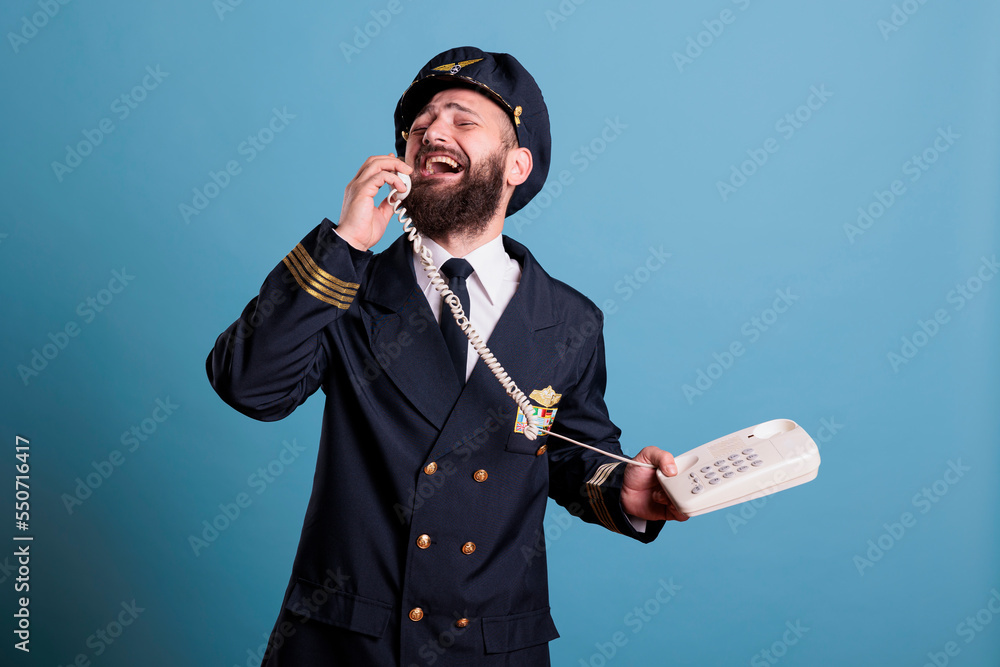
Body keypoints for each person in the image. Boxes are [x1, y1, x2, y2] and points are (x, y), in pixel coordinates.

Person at [207, 45, 686, 667]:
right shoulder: (346, 290)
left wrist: (624, 489)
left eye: (463, 120)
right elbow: (249, 386)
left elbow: (569, 455)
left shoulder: (569, 320)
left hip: (490, 649)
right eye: (421, 123)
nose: (431, 130)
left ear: (516, 165)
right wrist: (346, 242)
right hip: (345, 646)